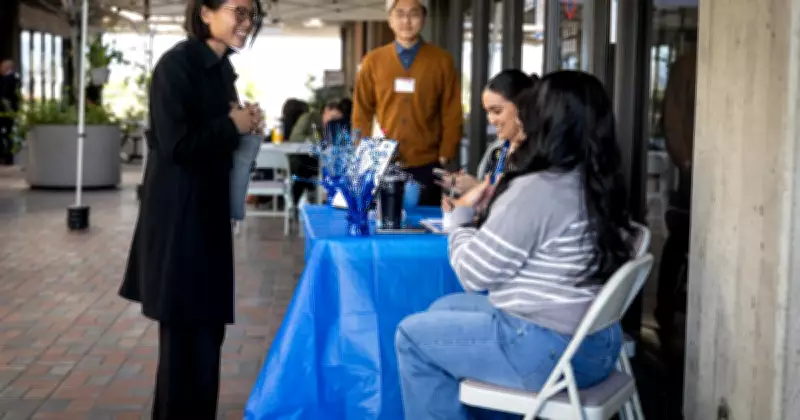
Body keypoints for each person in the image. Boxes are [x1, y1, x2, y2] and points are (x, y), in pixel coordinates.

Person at [395, 71, 634, 419]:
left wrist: (459, 220)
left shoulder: (539, 188)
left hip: (548, 350)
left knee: (411, 337)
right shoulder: (596, 181)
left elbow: (474, 275)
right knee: (444, 307)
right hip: (597, 345)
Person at [119, 0, 264, 419]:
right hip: (180, 219)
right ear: (205, 12)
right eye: (238, 12)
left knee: (206, 335)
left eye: (252, 15)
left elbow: (217, 134)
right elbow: (177, 144)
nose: (246, 23)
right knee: (185, 340)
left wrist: (243, 121)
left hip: (209, 214)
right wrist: (231, 125)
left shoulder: (222, 69)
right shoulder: (176, 66)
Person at [352, 0, 462, 206]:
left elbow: (452, 110)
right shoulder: (373, 61)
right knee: (384, 222)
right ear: (390, 20)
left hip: (428, 161)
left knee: (425, 223)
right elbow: (362, 111)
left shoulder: (442, 61)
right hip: (384, 161)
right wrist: (363, 152)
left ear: (424, 18)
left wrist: (446, 153)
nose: (406, 20)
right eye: (399, 14)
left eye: (413, 14)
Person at [438, 70, 539, 196]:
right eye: (488, 112)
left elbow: (524, 204)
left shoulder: (539, 154)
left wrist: (477, 188)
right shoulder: (498, 149)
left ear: (522, 107)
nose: (491, 120)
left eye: (497, 111)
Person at [0, 59, 21, 165]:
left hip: (5, 113)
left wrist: (8, 111)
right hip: (12, 111)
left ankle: (6, 156)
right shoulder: (16, 79)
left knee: (5, 134)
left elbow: (4, 97)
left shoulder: (7, 79)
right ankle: (8, 157)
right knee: (9, 134)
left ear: (7, 68)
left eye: (2, 67)